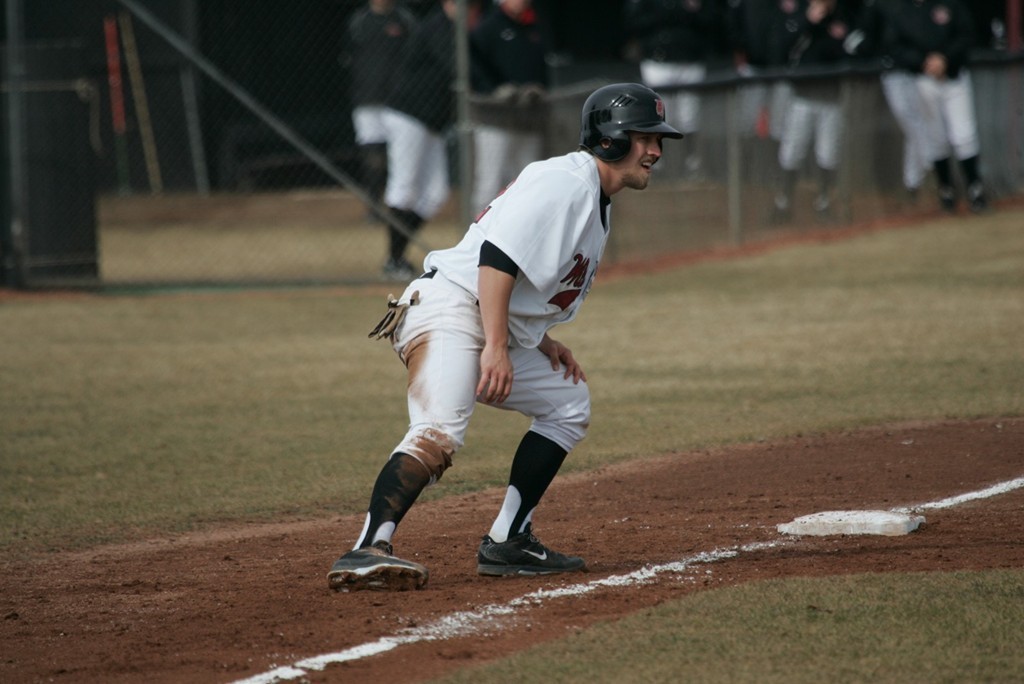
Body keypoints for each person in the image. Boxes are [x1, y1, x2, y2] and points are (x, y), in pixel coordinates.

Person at [327, 83, 683, 591]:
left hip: (481, 315)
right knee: (439, 431)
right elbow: (496, 258)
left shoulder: (592, 196)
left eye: (658, 141)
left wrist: (537, 340)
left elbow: (525, 282)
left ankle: (509, 539)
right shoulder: (565, 182)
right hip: (450, 308)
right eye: (645, 138)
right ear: (610, 139)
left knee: (567, 401)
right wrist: (497, 346)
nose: (655, 152)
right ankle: (366, 548)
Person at [885, 0, 988, 213]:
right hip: (923, 80)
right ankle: (946, 191)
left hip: (954, 77)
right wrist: (923, 61)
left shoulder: (951, 4)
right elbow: (894, 46)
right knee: (936, 137)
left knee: (964, 134)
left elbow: (967, 34)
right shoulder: (903, 11)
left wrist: (945, 58)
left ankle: (975, 189)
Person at [379, 0, 457, 281]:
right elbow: (454, 65)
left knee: (435, 194)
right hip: (409, 115)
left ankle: (398, 255)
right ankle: (393, 259)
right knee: (404, 186)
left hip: (431, 122)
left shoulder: (456, 28)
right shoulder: (437, 26)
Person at [769, 0, 856, 223]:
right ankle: (783, 203)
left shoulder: (842, 18)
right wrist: (808, 21)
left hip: (832, 99)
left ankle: (823, 202)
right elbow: (780, 48)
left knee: (828, 154)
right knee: (792, 152)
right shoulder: (798, 15)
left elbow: (851, 51)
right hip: (802, 98)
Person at [469, 0, 551, 213]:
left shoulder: (534, 25)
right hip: (495, 117)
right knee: (490, 180)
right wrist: (494, 90)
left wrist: (539, 87)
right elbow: (473, 67)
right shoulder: (488, 26)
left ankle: (522, 232)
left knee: (528, 179)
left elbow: (542, 67)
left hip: (527, 117)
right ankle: (479, 235)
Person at [340, 1, 418, 222]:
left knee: (400, 153)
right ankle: (374, 205)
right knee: (372, 152)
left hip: (399, 100)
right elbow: (348, 56)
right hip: (367, 97)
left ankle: (400, 206)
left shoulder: (405, 19)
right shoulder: (359, 21)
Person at [624, 0, 718, 179]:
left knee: (689, 116)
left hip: (690, 61)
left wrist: (693, 9)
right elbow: (634, 21)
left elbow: (712, 20)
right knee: (659, 115)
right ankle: (656, 164)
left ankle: (692, 163)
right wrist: (671, 10)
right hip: (657, 61)